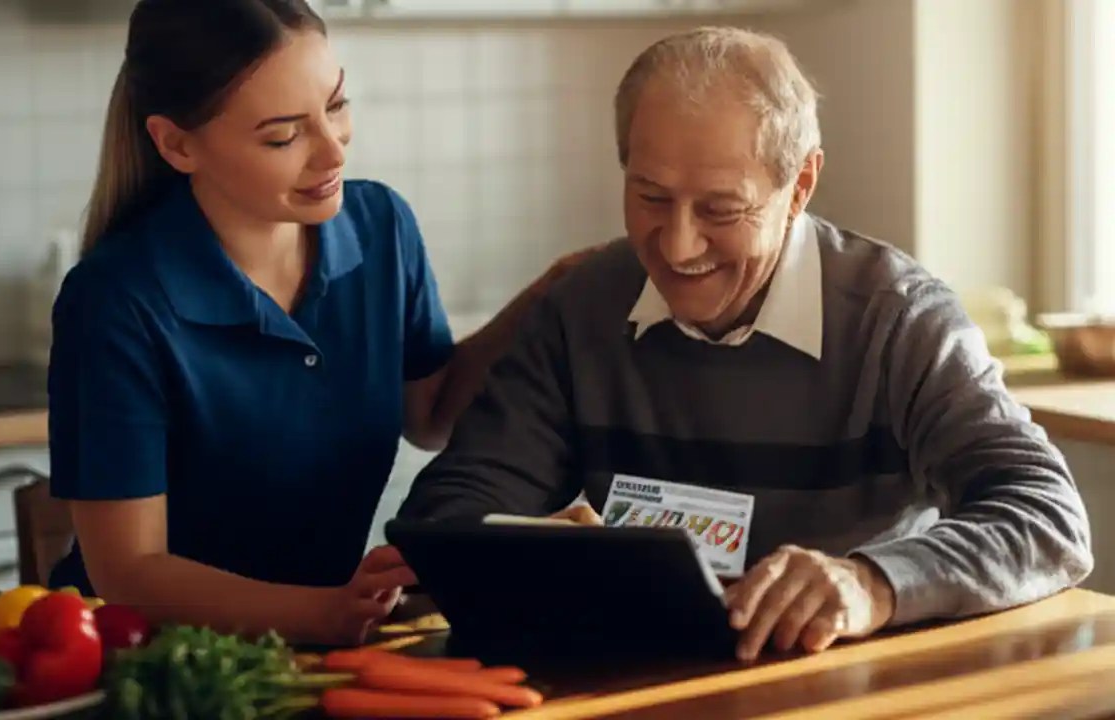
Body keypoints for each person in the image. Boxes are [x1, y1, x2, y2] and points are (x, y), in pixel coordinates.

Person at [398, 27, 1094, 662]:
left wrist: (871, 584)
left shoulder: (899, 319)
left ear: (801, 186)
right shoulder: (580, 306)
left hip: (851, 686)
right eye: (650, 198)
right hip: (639, 684)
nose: (677, 245)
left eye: (721, 209)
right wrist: (543, 548)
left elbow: (1047, 516)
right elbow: (451, 510)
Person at [46, 0, 584, 647]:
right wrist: (327, 612)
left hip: (324, 653)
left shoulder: (381, 227)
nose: (332, 151)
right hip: (157, 667)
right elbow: (129, 574)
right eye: (283, 135)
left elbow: (432, 413)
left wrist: (551, 293)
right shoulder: (115, 301)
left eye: (336, 106)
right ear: (177, 143)